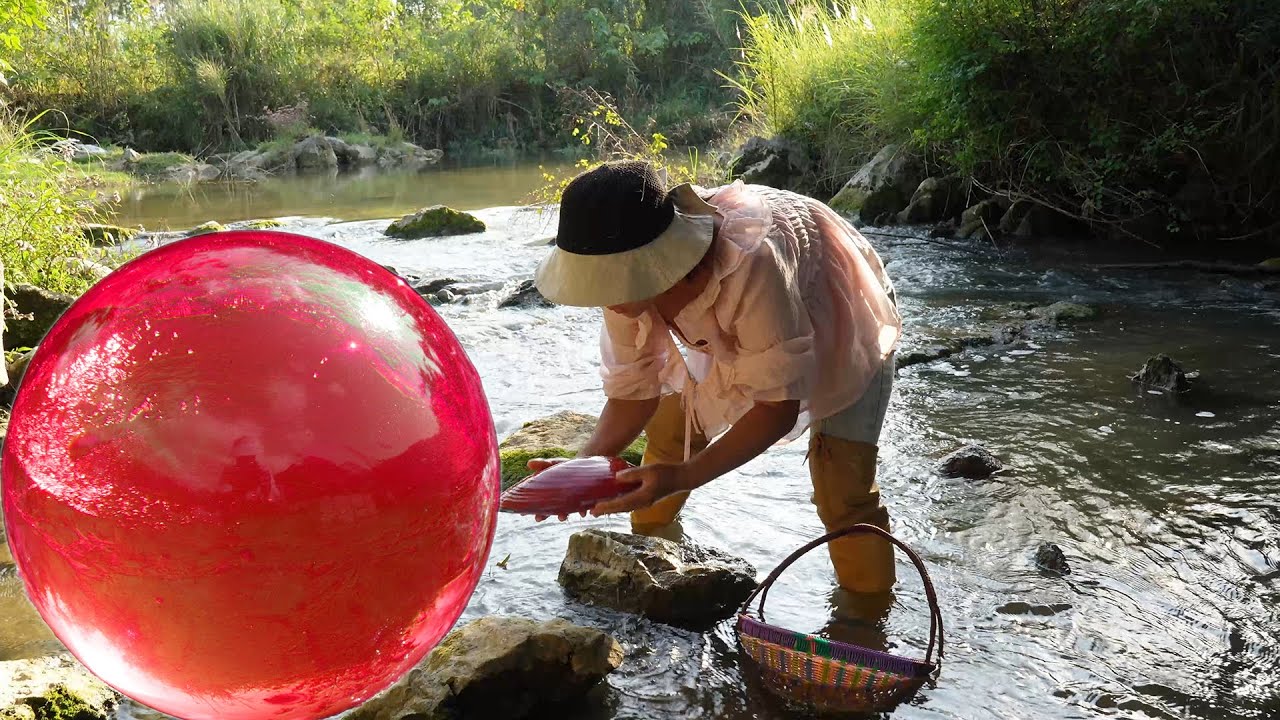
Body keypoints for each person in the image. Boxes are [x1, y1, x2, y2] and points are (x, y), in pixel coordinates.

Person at [529, 160, 902, 595]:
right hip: (735, 326)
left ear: (655, 262)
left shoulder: (753, 265)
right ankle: (650, 568)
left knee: (842, 489)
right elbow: (634, 396)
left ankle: (866, 623)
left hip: (840, 309)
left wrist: (685, 476)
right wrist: (582, 467)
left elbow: (776, 410)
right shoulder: (625, 293)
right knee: (669, 433)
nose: (604, 301)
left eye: (609, 283)